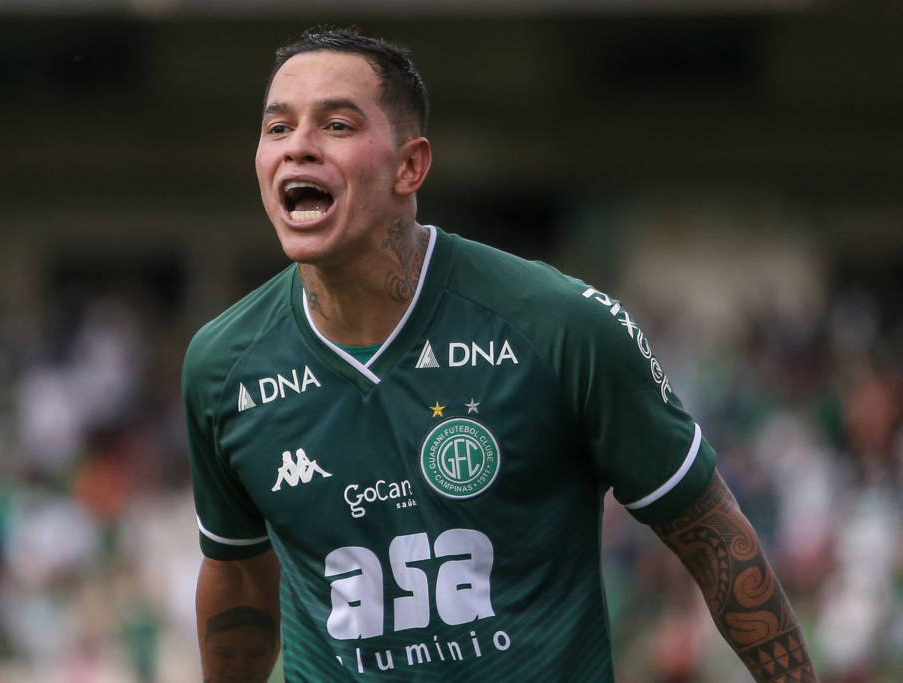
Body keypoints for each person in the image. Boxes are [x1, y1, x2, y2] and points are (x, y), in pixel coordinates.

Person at [183, 26, 817, 682]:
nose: (299, 148)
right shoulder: (223, 366)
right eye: (278, 127)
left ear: (411, 165)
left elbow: (713, 537)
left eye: (337, 124)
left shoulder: (559, 326)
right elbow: (238, 579)